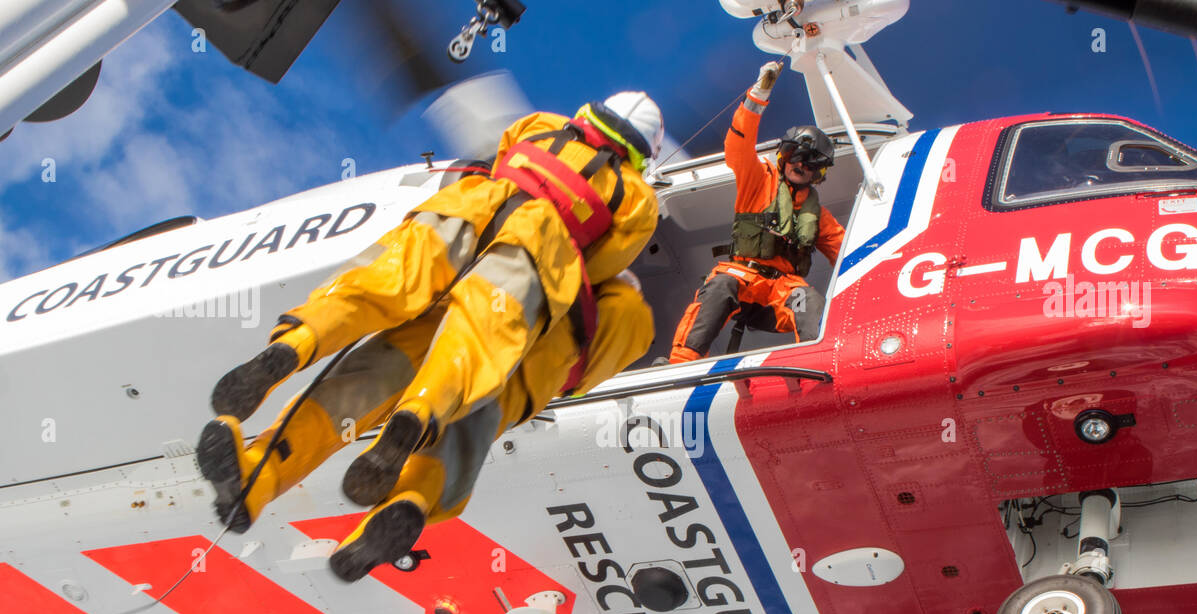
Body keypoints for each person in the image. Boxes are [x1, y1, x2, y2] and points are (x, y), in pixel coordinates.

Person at [197, 92, 663, 581]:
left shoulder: (538, 124)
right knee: (473, 378)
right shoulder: (635, 201)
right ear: (643, 152)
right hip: (531, 272)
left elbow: (501, 156)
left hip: (463, 213)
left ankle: (275, 405)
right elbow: (603, 263)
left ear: (590, 112)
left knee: (373, 316)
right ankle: (415, 455)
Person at [669, 61, 844, 364]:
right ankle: (681, 365)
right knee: (719, 285)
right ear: (782, 155)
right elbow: (738, 144)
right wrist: (759, 94)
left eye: (811, 163)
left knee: (811, 302)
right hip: (740, 275)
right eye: (794, 155)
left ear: (819, 174)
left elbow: (847, 254)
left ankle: (819, 363)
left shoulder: (819, 217)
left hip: (783, 289)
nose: (799, 165)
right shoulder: (757, 179)